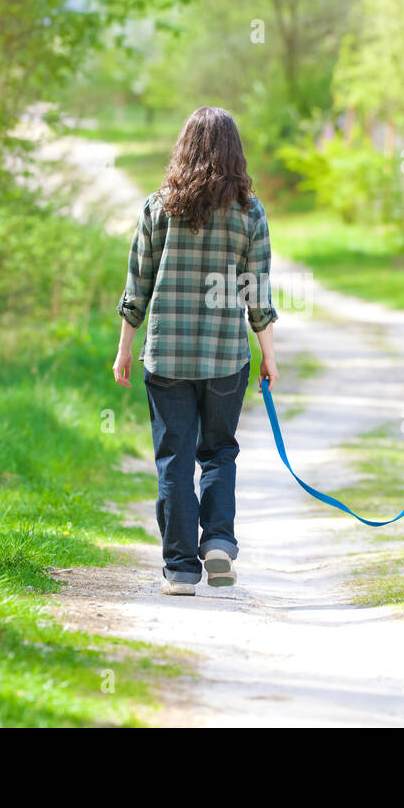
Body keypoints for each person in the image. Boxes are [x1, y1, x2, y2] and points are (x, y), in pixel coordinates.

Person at [112, 106, 279, 596]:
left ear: (183, 147)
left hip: (166, 356)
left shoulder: (156, 208)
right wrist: (268, 354)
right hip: (226, 357)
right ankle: (220, 542)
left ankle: (181, 568)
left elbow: (135, 288)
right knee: (220, 452)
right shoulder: (250, 212)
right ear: (235, 152)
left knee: (174, 459)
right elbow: (259, 292)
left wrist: (125, 350)